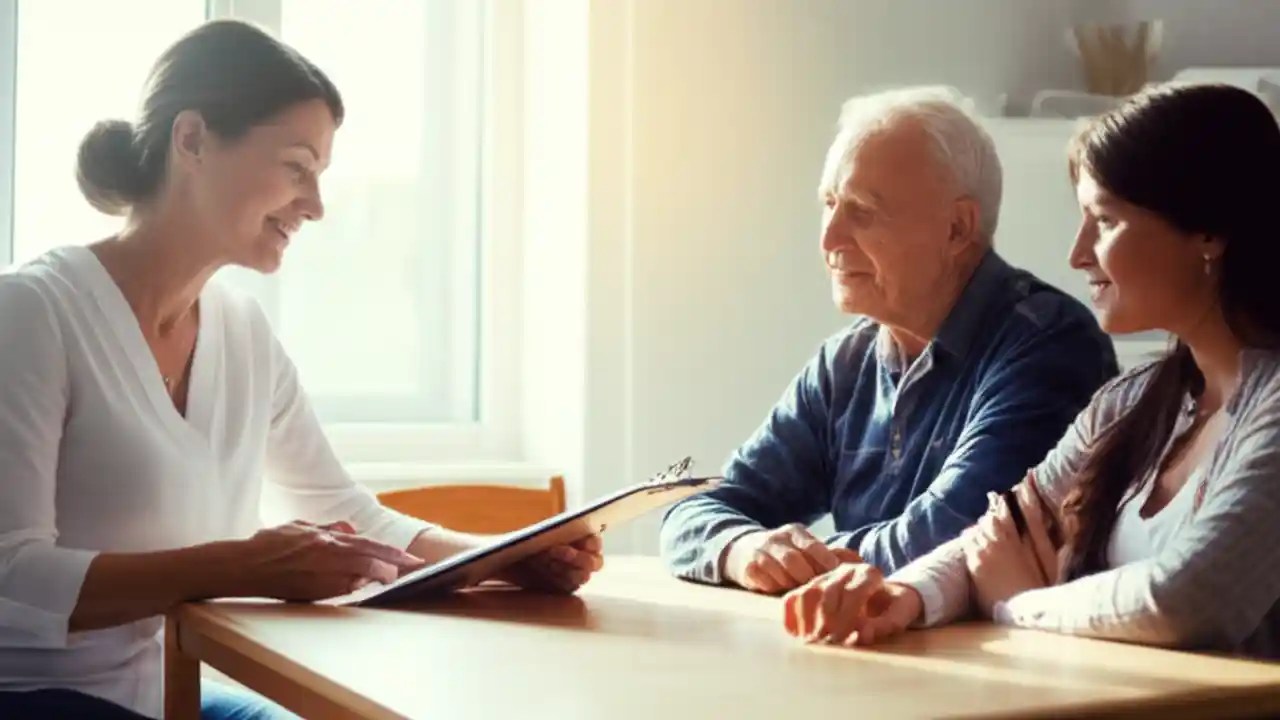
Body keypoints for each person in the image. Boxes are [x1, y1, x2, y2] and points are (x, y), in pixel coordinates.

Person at [0, 20, 601, 719]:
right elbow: (12, 571)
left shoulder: (243, 334)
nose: (314, 205)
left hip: (172, 694)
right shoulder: (31, 313)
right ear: (191, 140)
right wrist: (242, 565)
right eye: (296, 167)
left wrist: (500, 556)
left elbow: (343, 511)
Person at [782, 83, 1280, 659]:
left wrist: (1019, 605)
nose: (1078, 253)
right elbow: (998, 534)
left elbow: (1184, 601)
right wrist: (902, 595)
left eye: (1105, 220)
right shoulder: (1128, 403)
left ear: (1209, 232)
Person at [659, 87, 1117, 593]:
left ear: (957, 228)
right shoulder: (845, 363)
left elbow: (956, 535)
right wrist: (743, 549)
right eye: (829, 204)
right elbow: (696, 511)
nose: (829, 239)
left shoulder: (1048, 343)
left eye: (861, 210)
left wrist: (803, 562)